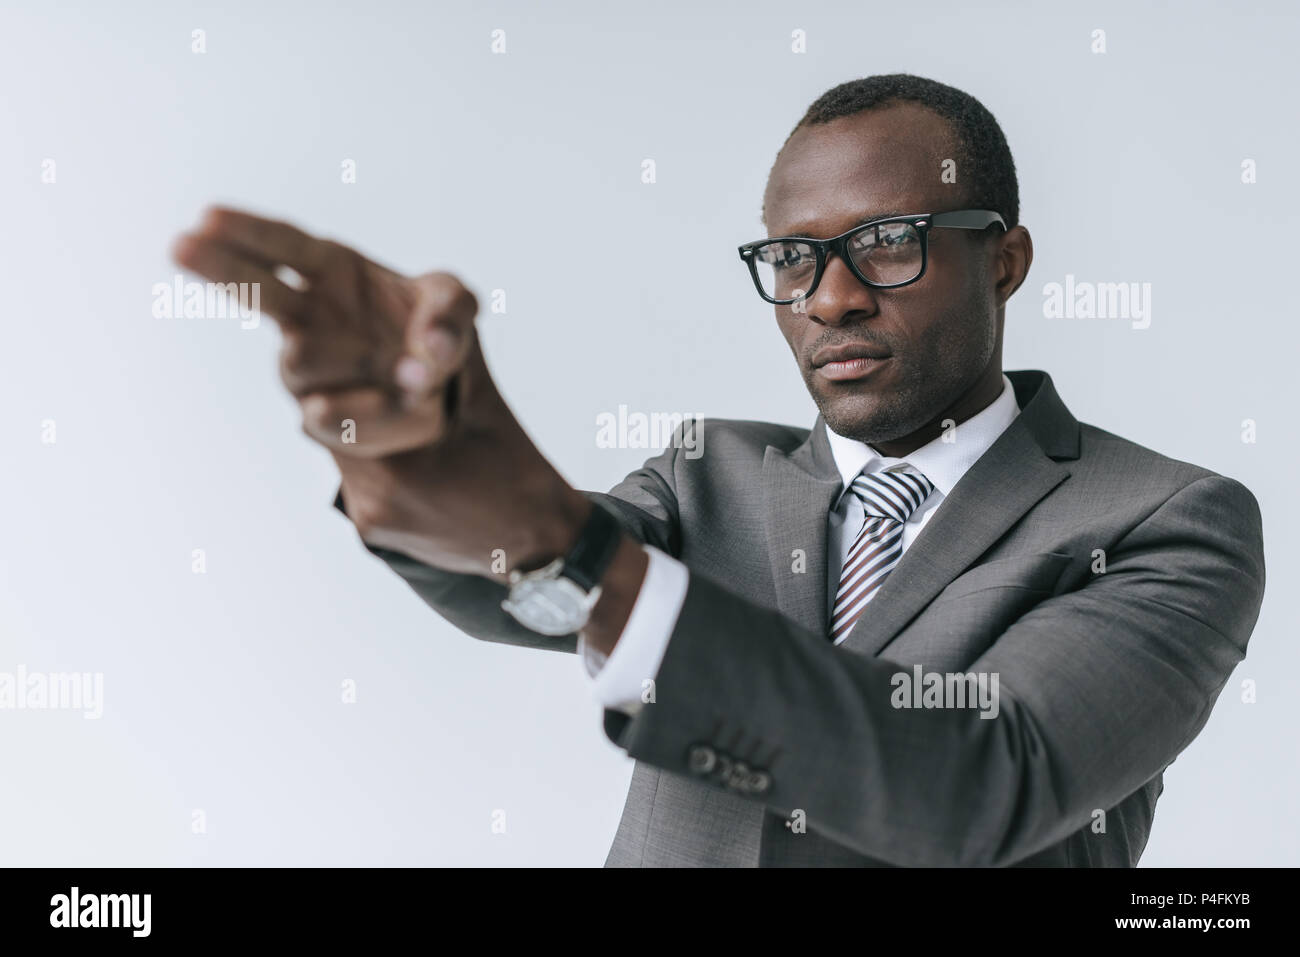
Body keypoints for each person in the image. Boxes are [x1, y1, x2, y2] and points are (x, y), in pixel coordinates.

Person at [171, 73, 1266, 867]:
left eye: (888, 241)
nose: (830, 297)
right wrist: (395, 469)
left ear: (1007, 260)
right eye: (792, 257)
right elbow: (514, 589)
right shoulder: (711, 473)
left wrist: (580, 552)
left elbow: (988, 779)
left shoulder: (1166, 520)